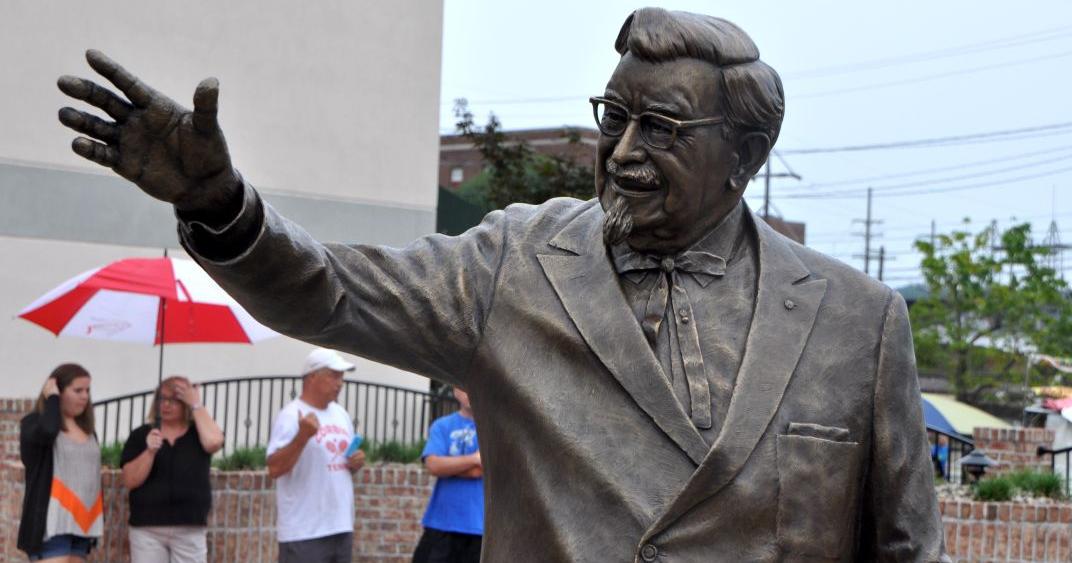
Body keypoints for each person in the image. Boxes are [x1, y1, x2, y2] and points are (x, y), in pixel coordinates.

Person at [57, 7, 949, 560]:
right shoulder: (513, 263)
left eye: (663, 128)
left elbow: (906, 547)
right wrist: (220, 203)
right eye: (615, 117)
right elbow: (331, 289)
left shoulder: (857, 324)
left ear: (746, 156)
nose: (625, 152)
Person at [265, 348, 367, 563]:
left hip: (340, 525)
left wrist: (355, 462)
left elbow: (338, 462)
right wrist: (302, 437)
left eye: (342, 377)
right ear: (312, 376)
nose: (340, 383)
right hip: (304, 531)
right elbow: (274, 469)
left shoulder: (341, 414)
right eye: (334, 375)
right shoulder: (291, 415)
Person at [119, 375, 225, 563]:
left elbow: (214, 442)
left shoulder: (197, 433)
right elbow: (130, 480)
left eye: (174, 400)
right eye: (162, 398)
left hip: (189, 526)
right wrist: (149, 452)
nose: (166, 405)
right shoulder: (141, 435)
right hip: (147, 528)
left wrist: (196, 405)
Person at [18, 363, 102, 562]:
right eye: (77, 390)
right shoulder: (34, 424)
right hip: (52, 523)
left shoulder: (88, 431)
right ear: (58, 390)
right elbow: (47, 432)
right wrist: (52, 399)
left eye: (87, 390)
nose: (85, 396)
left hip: (83, 522)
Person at [413, 386, 484, 563]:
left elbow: (479, 471)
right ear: (455, 391)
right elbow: (434, 466)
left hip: (479, 528)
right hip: (441, 524)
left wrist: (450, 465)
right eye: (464, 386)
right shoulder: (441, 426)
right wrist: (475, 458)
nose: (470, 392)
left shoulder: (492, 430)